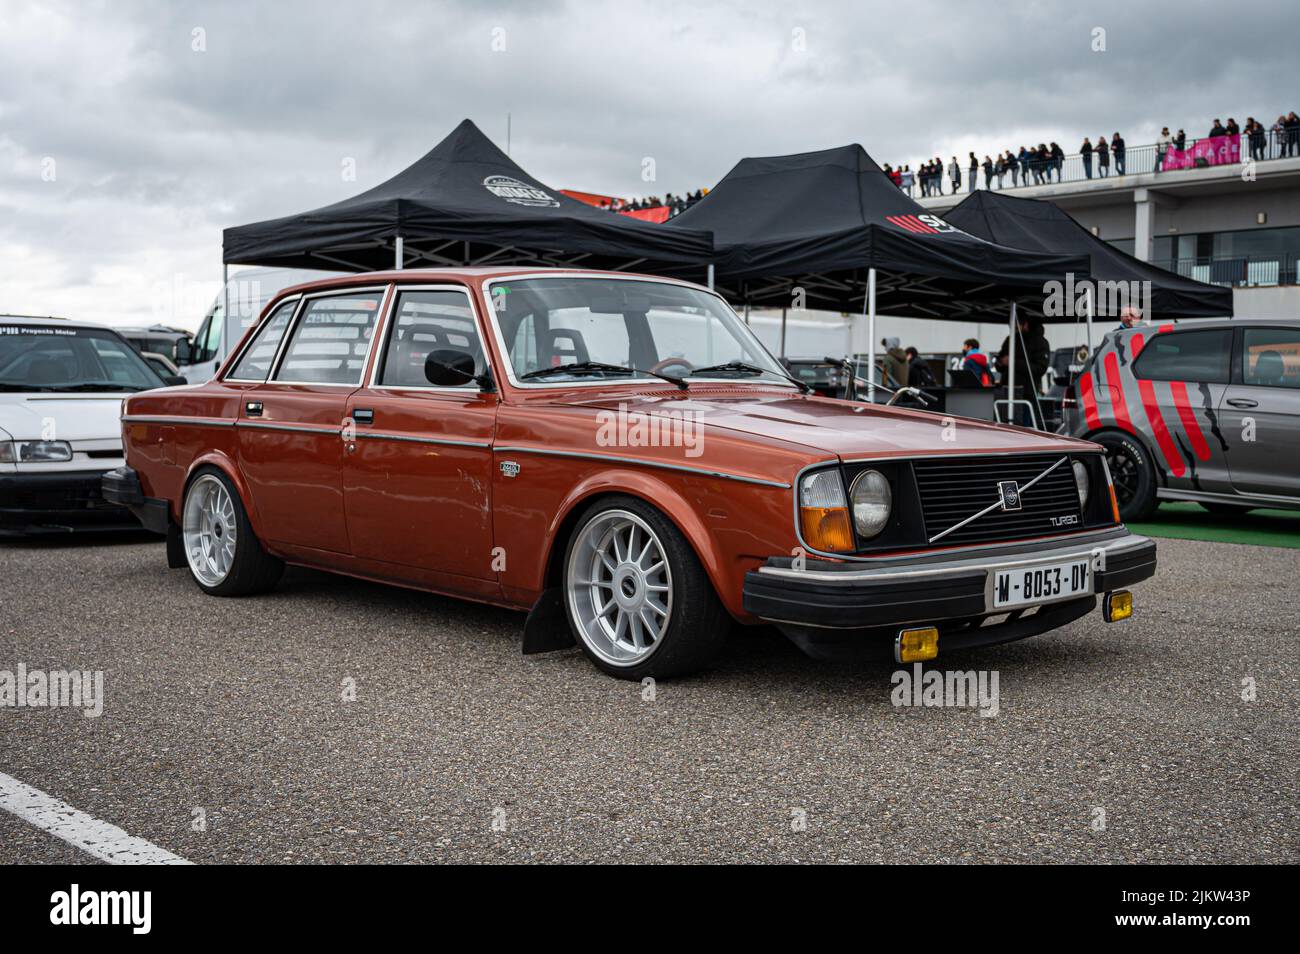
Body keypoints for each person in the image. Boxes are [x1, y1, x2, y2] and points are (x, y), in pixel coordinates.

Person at [996, 318, 1051, 425]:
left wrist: (1014, 362)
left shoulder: (1041, 343)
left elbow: (1039, 369)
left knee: (1023, 429)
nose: (1013, 328)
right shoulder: (1010, 339)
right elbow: (1001, 360)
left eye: (1016, 325)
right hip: (1006, 392)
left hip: (1026, 394)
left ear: (1025, 324)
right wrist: (1000, 362)